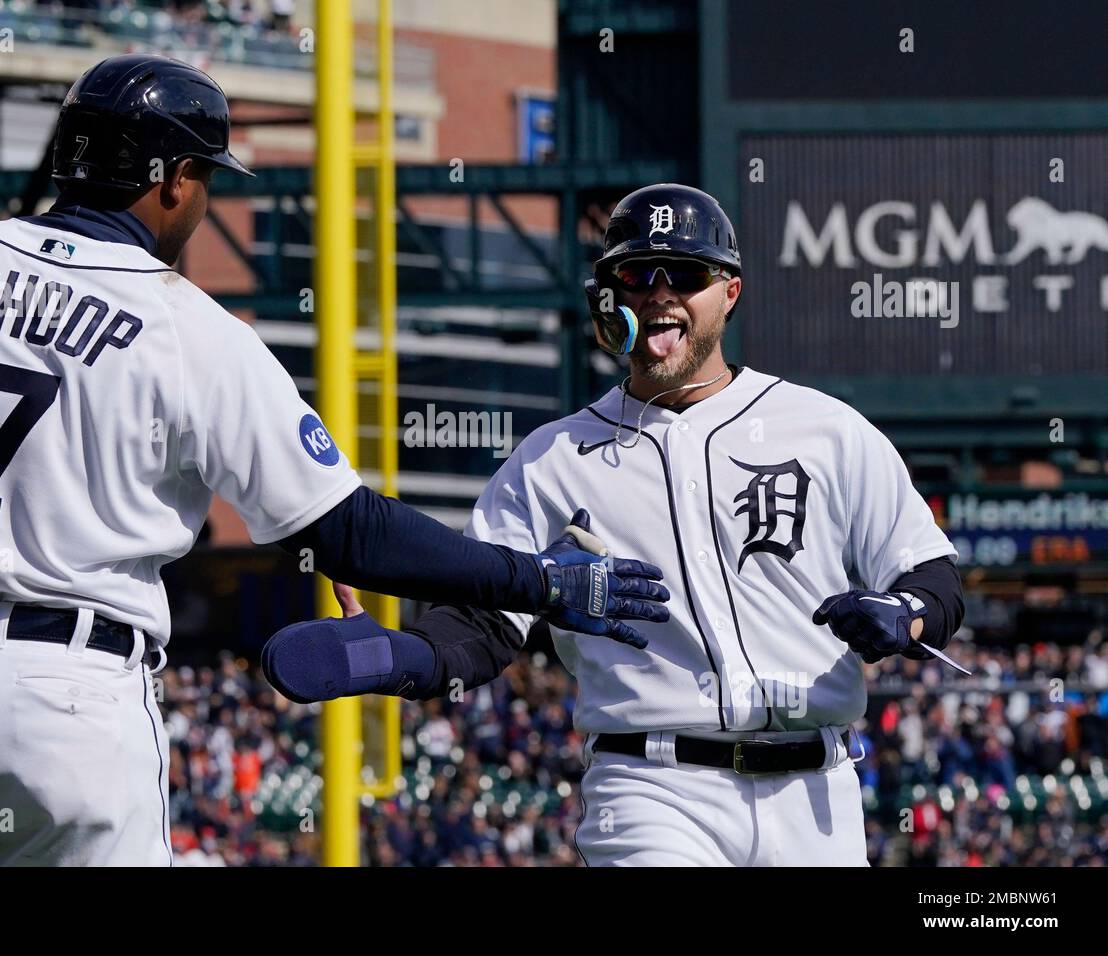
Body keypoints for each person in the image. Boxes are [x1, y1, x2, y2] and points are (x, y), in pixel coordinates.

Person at [0, 55, 669, 866]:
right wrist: (540, 583)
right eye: (205, 178)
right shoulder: (193, 330)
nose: (203, 199)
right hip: (69, 699)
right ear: (172, 179)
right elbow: (352, 533)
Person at [263, 183, 965, 867]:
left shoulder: (825, 429)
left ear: (730, 291)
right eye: (635, 273)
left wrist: (904, 614)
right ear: (608, 294)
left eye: (685, 272)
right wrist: (390, 657)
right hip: (652, 788)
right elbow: (482, 631)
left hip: (820, 792)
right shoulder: (551, 460)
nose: (659, 292)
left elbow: (931, 576)